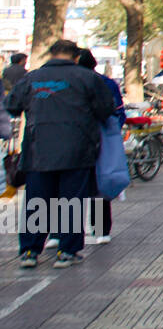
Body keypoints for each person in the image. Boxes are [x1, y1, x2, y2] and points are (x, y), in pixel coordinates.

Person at [9, 40, 115, 269]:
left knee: (37, 201)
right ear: (76, 57)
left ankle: (29, 251)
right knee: (71, 201)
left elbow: (12, 106)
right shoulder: (88, 78)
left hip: (38, 151)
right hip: (77, 150)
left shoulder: (31, 78)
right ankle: (66, 252)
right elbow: (106, 109)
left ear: (51, 54)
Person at [78, 49, 125, 245]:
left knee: (68, 185)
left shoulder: (69, 82)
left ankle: (60, 234)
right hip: (101, 140)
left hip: (73, 141)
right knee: (99, 183)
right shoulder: (107, 82)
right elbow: (118, 114)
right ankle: (101, 231)